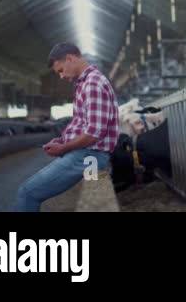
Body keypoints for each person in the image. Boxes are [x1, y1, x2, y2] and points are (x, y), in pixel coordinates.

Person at [15, 43, 119, 212]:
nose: (61, 76)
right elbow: (82, 123)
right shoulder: (84, 83)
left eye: (61, 70)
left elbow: (93, 134)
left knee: (27, 193)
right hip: (90, 155)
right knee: (94, 206)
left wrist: (64, 147)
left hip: (88, 156)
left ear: (70, 58)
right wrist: (62, 140)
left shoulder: (92, 84)